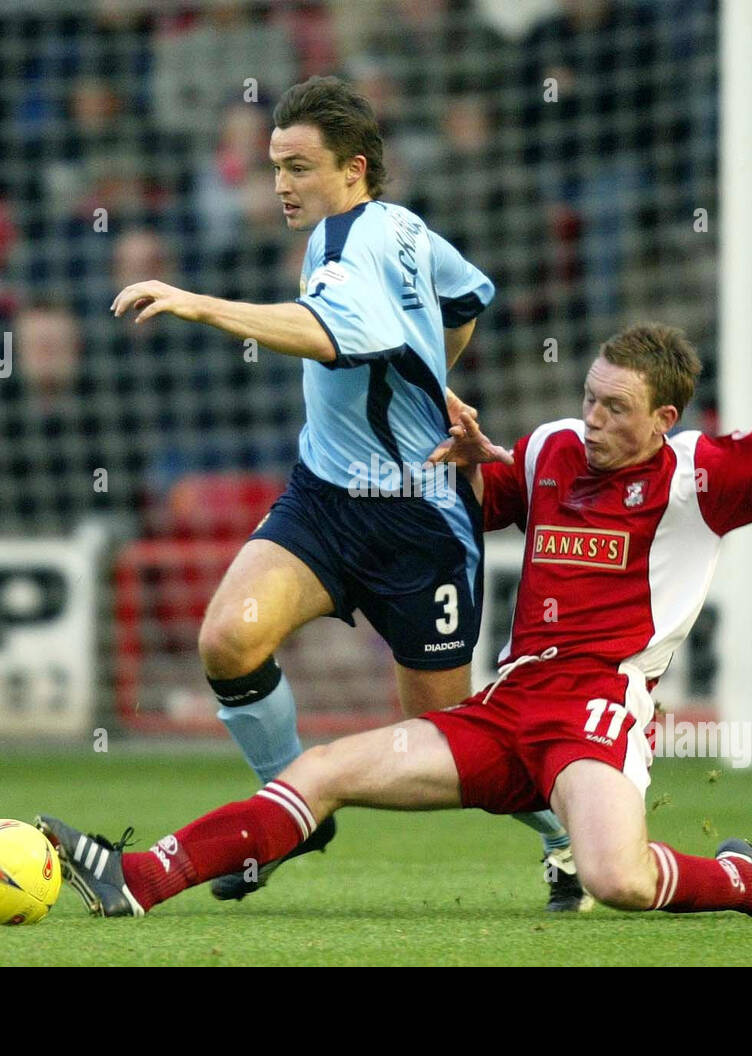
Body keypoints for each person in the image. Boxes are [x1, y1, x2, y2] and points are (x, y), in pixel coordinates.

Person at [37, 322, 752, 919]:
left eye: (615, 407)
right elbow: (478, 503)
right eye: (588, 396)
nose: (591, 417)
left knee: (621, 882)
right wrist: (472, 463)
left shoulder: (701, 476)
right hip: (507, 708)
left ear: (665, 416)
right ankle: (138, 880)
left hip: (596, 717)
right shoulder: (557, 451)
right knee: (319, 769)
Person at [109, 76, 585, 908]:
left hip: (420, 523)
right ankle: (294, 812)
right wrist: (433, 377)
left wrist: (197, 304)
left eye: (298, 167)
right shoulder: (400, 229)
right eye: (275, 168)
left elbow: (329, 335)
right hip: (326, 499)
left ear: (354, 168)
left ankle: (571, 842)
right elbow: (468, 296)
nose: (281, 186)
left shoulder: (350, 244)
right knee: (228, 640)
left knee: (455, 740)